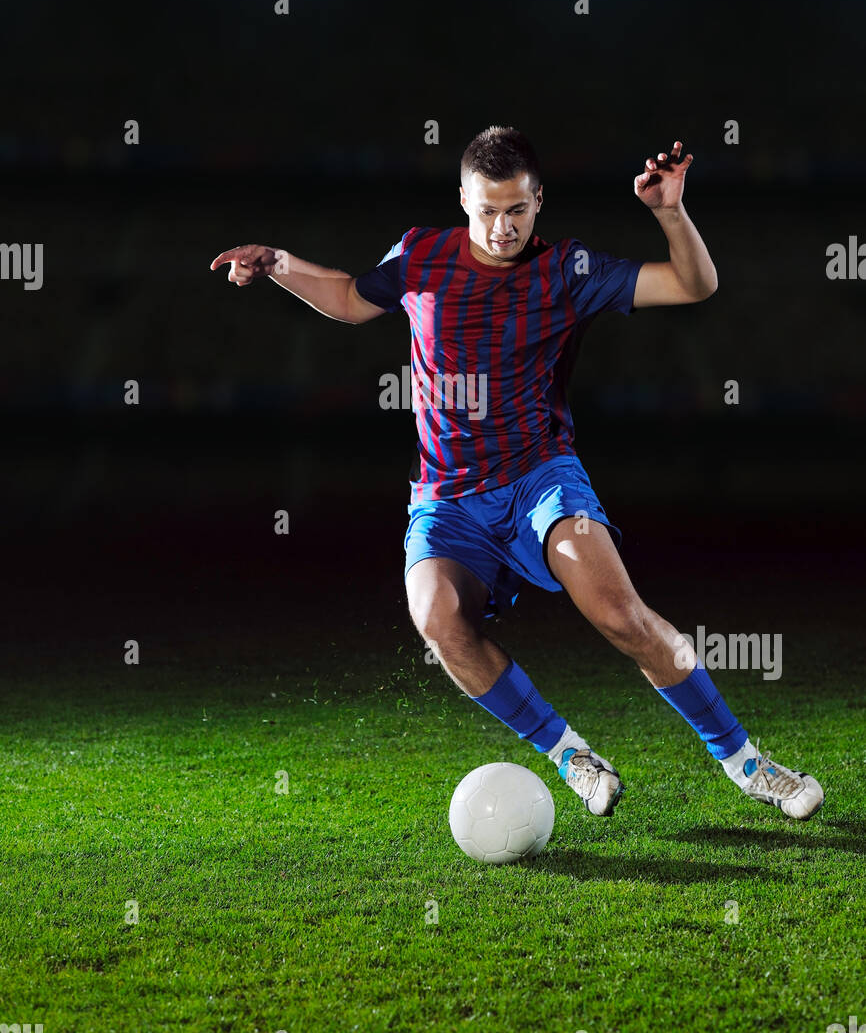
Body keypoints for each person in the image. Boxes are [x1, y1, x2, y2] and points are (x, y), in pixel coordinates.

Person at [210, 126, 823, 822]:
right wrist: (279, 262)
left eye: (517, 211)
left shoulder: (569, 271)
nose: (501, 228)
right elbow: (351, 299)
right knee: (437, 620)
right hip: (446, 499)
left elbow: (693, 284)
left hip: (541, 480)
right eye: (486, 211)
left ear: (539, 203)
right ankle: (572, 757)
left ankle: (748, 765)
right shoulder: (420, 255)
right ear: (464, 200)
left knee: (621, 616)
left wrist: (669, 211)